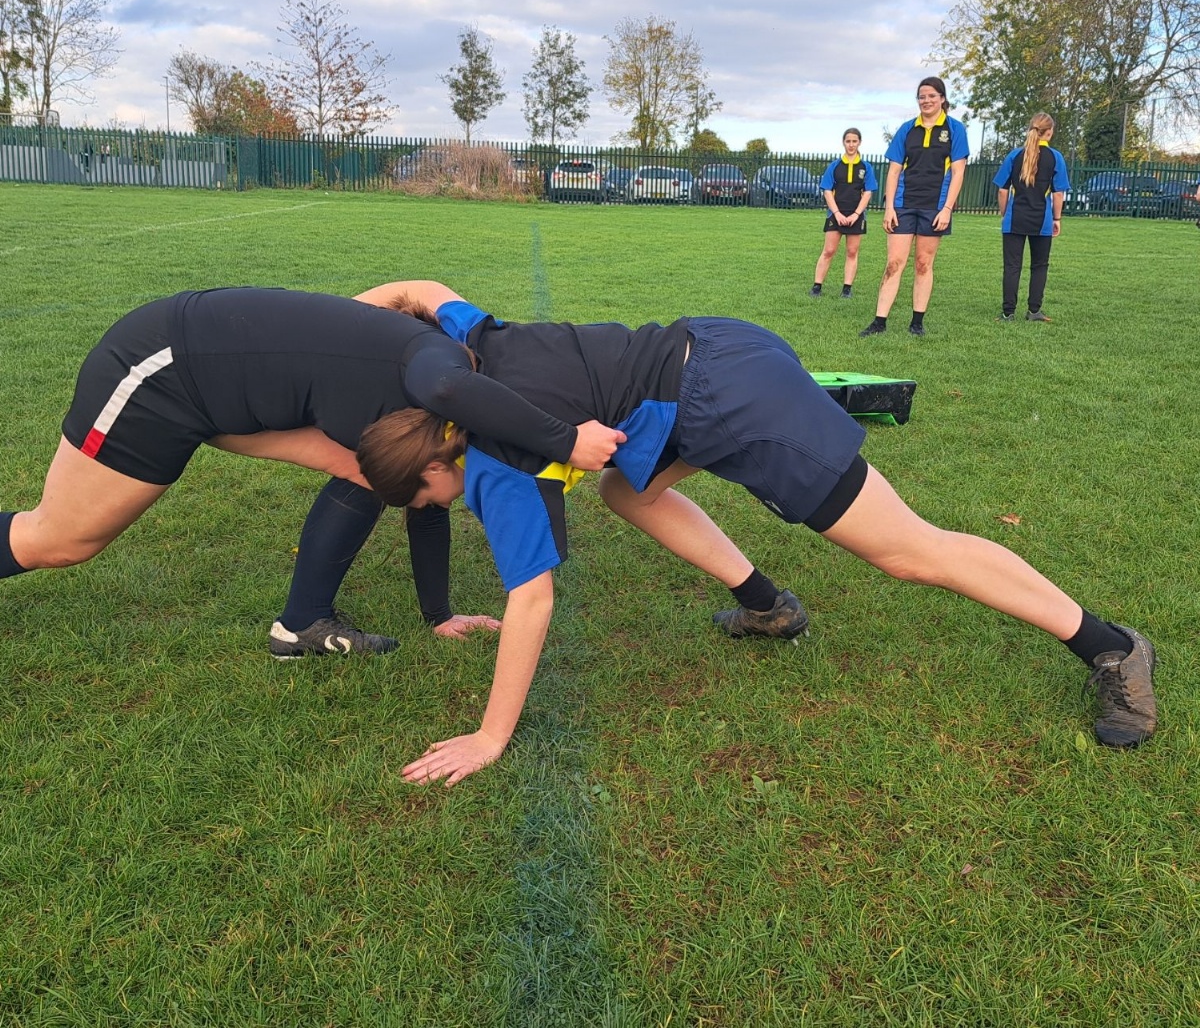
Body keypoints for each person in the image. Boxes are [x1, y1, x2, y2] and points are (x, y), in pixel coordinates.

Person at [345, 292, 1157, 787]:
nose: (442, 509)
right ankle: (767, 605)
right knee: (627, 489)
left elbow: (531, 603)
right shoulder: (471, 350)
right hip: (717, 344)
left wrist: (490, 738)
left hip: (730, 403)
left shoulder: (497, 472)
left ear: (433, 471)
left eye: (429, 502)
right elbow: (423, 288)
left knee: (911, 550)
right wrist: (353, 312)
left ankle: (1112, 647)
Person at [0, 286, 624, 657]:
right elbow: (419, 499)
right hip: (158, 372)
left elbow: (418, 497)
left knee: (364, 474)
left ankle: (299, 626)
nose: (444, 506)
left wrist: (440, 614)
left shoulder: (427, 406)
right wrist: (567, 441)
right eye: (443, 493)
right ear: (442, 455)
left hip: (206, 376)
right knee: (59, 539)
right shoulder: (416, 398)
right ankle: (300, 622)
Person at [860, 77, 969, 337]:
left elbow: (958, 172)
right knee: (894, 263)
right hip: (903, 205)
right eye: (922, 96)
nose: (926, 101)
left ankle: (917, 322)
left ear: (942, 98)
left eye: (932, 96)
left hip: (935, 207)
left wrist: (947, 209)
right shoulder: (907, 129)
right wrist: (889, 208)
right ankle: (879, 322)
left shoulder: (955, 129)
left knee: (923, 263)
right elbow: (894, 170)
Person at [992, 113, 1070, 322]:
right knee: (1039, 265)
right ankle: (1034, 311)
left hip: (1014, 218)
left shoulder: (1014, 155)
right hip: (1042, 220)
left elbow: (1002, 190)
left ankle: (1008, 313)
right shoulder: (1055, 157)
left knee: (1012, 266)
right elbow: (1058, 193)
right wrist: (1057, 219)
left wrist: (1004, 213)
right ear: (1050, 132)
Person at [812, 128, 878, 298]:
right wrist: (837, 213)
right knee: (828, 250)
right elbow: (827, 190)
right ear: (843, 142)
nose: (851, 144)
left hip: (856, 215)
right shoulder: (834, 166)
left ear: (859, 143)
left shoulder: (866, 167)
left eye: (854, 141)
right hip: (836, 214)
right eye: (848, 141)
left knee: (852, 252)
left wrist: (856, 214)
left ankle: (846, 289)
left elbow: (868, 192)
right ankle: (817, 287)